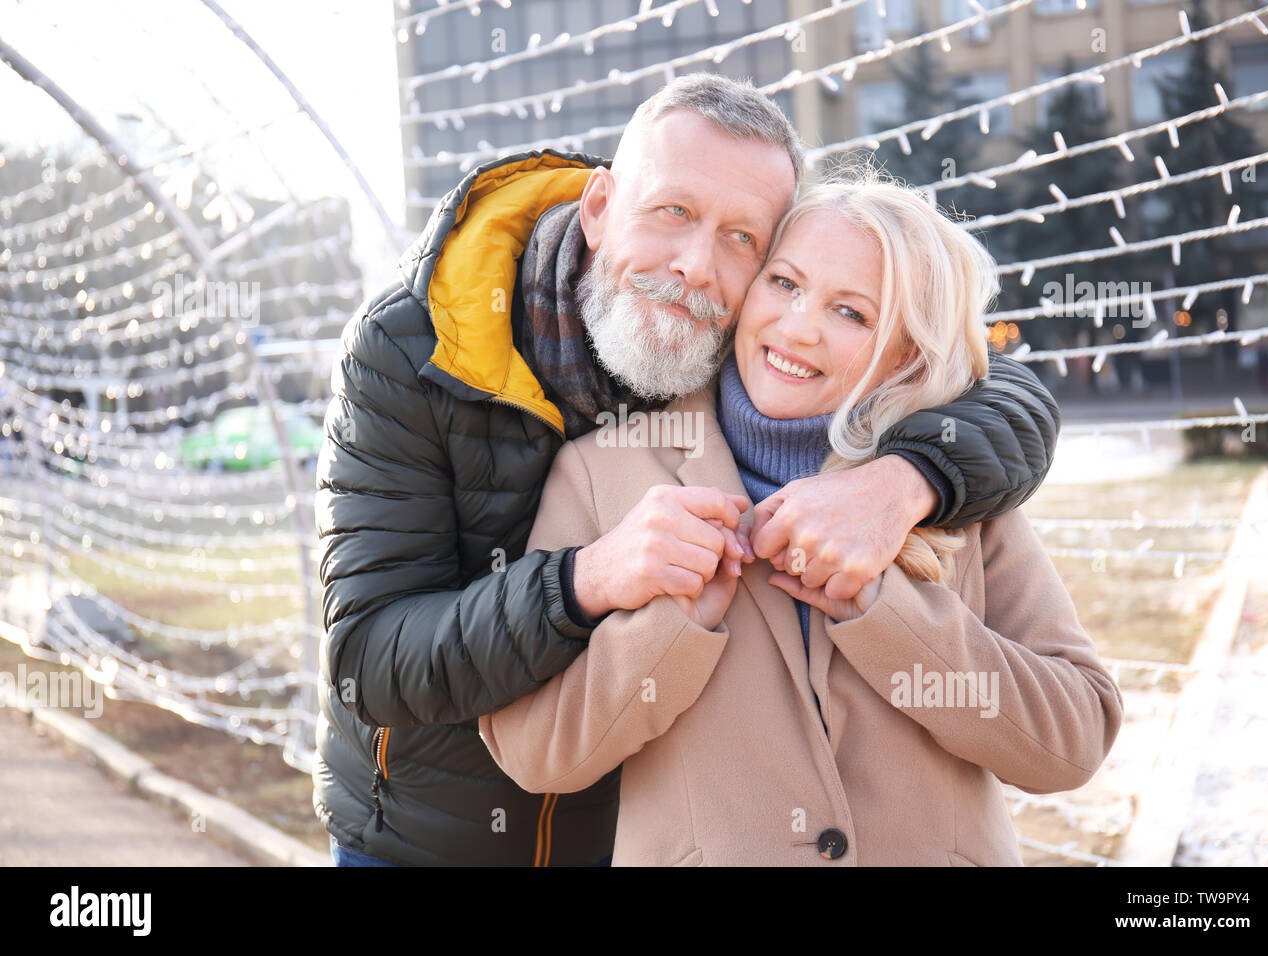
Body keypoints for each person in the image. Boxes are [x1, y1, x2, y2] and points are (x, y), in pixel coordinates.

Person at [316, 74, 1062, 866]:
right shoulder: (415, 345)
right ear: (600, 209)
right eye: (672, 212)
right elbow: (371, 656)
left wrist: (905, 480)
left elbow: (977, 374)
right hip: (434, 836)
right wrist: (582, 581)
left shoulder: (755, 335)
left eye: (744, 239)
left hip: (639, 830)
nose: (696, 266)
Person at [479, 173, 1123, 866]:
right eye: (784, 283)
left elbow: (1073, 740)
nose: (798, 327)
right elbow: (535, 754)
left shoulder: (946, 488)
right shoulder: (600, 473)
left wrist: (885, 611)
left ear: (904, 351)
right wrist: (675, 626)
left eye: (852, 313)